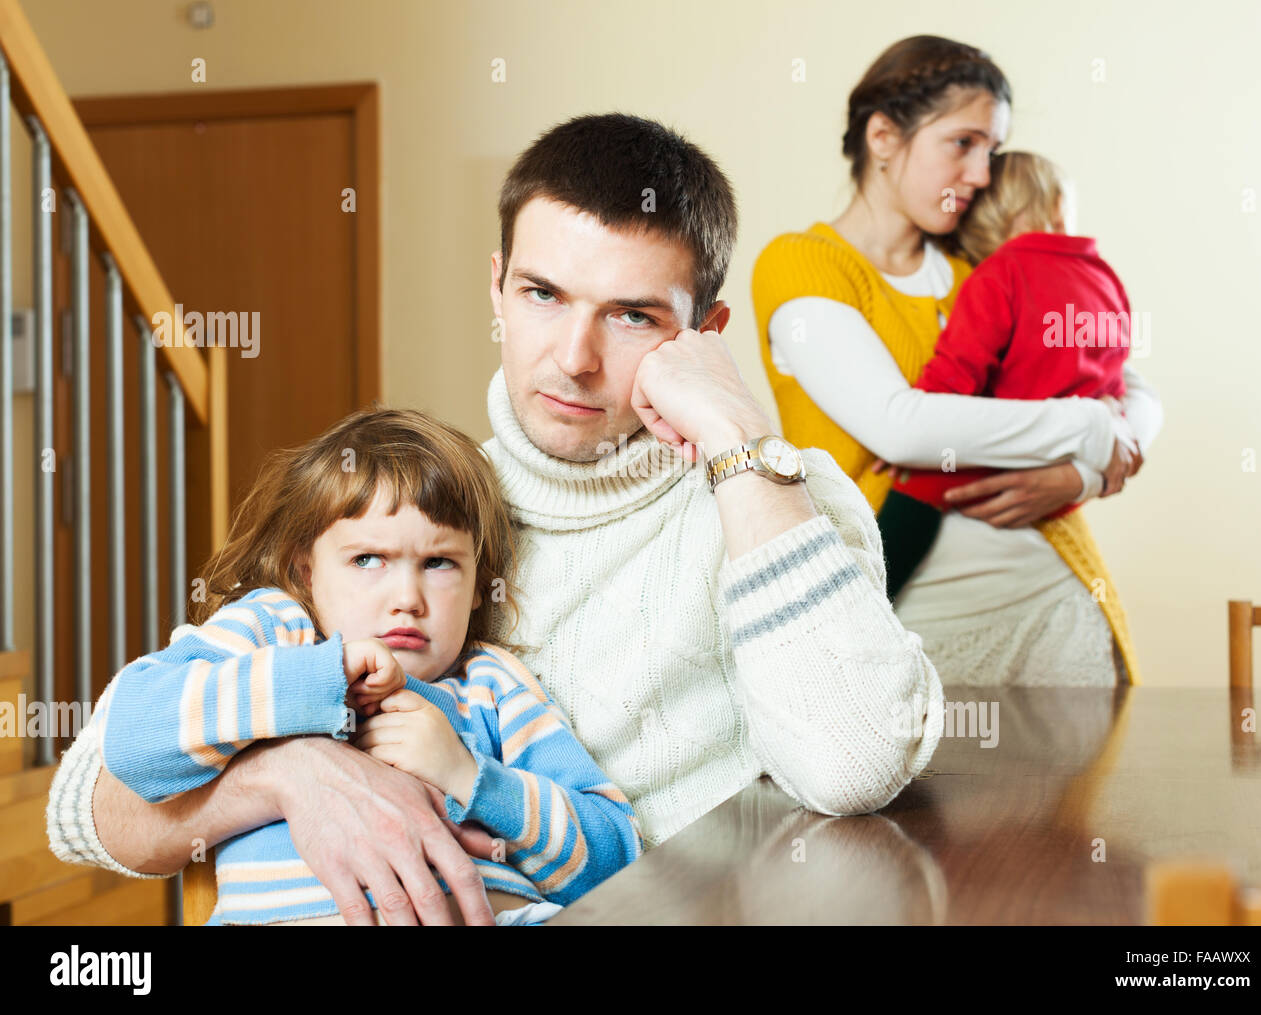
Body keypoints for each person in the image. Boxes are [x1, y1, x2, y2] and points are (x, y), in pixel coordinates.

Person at [47, 112, 947, 925]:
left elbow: (855, 763)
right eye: (542, 294)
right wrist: (293, 773)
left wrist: (740, 441)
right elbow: (85, 804)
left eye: (631, 316)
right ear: (497, 289)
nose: (574, 358)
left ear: (702, 332)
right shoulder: (418, 512)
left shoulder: (777, 494)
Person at [93, 407, 642, 925]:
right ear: (306, 571)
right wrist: (320, 677)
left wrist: (472, 776)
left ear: (480, 585)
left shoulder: (492, 682)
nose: (407, 597)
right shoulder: (277, 631)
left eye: (439, 563)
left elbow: (619, 861)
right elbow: (135, 732)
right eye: (367, 559)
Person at [752, 35, 1163, 688]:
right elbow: (901, 427)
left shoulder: (988, 268)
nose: (982, 173)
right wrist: (1089, 433)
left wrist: (1081, 479)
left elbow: (1131, 387)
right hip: (907, 633)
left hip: (1059, 616)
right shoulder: (804, 265)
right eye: (963, 144)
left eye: (993, 150)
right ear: (883, 136)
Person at [877, 150, 1138, 599]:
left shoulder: (1001, 274)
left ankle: (866, 599)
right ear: (1058, 208)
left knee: (916, 491)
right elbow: (1116, 379)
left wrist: (911, 440)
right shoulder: (1107, 280)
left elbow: (960, 366)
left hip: (1007, 451)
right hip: (1073, 475)